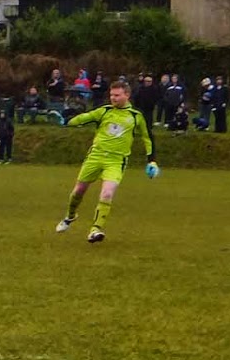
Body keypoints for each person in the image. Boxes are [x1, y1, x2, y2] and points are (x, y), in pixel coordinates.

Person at [54, 81, 158, 244]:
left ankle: (96, 229)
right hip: (96, 156)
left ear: (127, 95)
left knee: (107, 193)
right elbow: (85, 117)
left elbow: (147, 138)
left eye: (117, 95)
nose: (113, 98)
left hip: (116, 160)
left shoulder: (136, 116)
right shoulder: (104, 111)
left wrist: (151, 161)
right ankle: (70, 217)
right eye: (111, 95)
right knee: (78, 191)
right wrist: (68, 121)